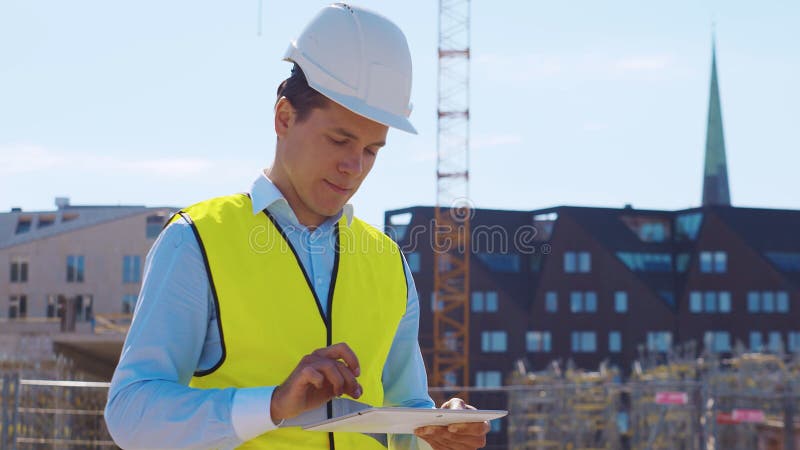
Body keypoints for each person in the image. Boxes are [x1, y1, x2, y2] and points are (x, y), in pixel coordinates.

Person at [104, 3, 490, 450]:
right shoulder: (195, 241)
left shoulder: (388, 262)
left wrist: (438, 432)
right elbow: (131, 415)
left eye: (372, 150)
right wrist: (272, 404)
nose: (353, 166)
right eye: (339, 139)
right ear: (284, 118)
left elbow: (405, 418)